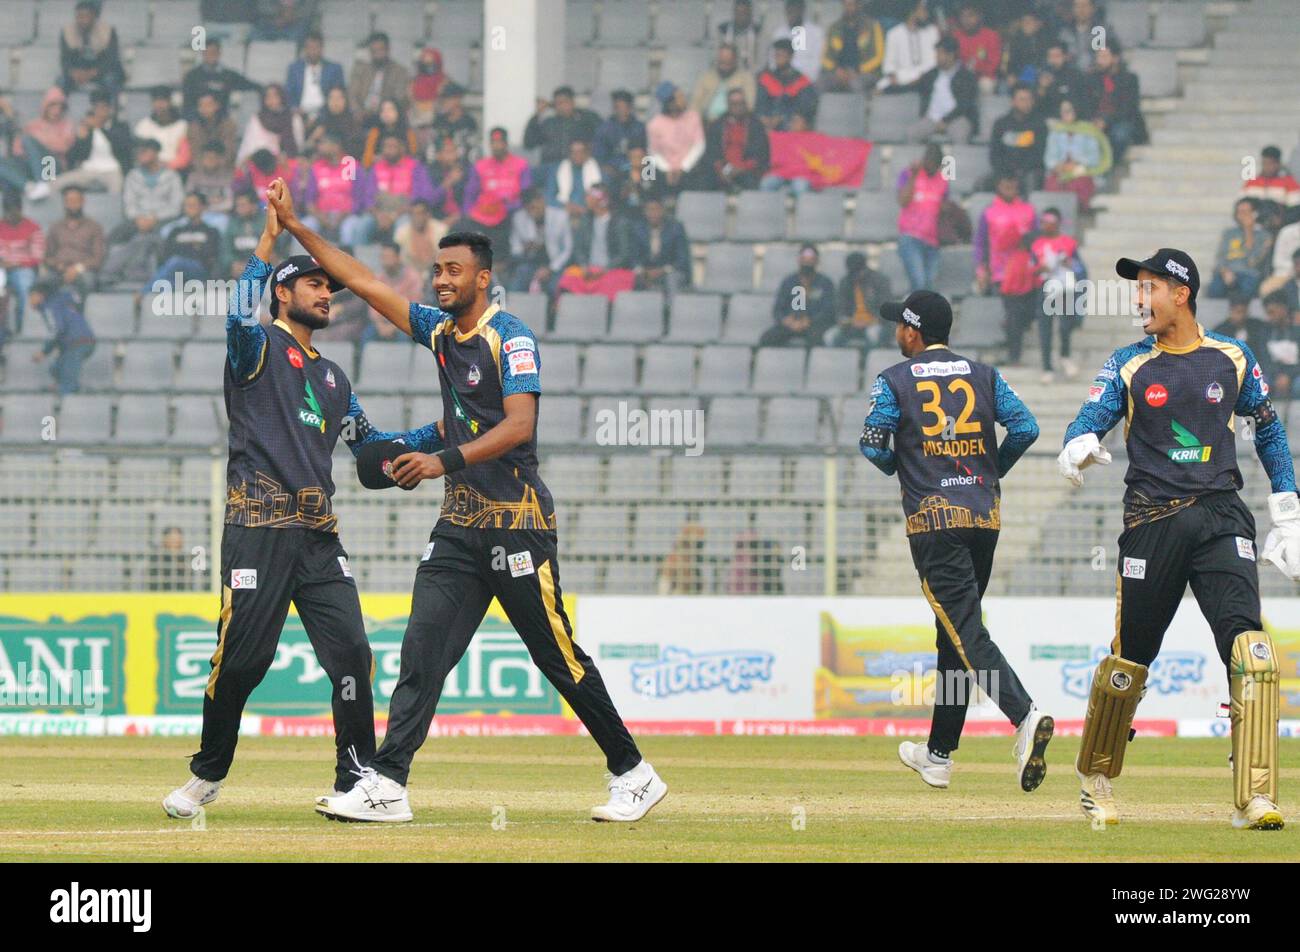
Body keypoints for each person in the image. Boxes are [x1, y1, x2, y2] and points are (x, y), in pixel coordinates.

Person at [268, 180, 669, 824]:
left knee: (557, 656)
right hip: (459, 527)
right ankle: (389, 783)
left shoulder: (509, 336)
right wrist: (295, 228)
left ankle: (634, 772)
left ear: (483, 279)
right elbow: (366, 283)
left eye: (453, 271)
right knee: (422, 650)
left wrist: (439, 459)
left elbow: (518, 427)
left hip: (517, 524)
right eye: (436, 270)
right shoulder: (439, 335)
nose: (440, 280)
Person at [161, 200, 440, 821]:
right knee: (242, 662)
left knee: (350, 652)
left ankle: (358, 775)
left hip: (318, 536)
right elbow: (236, 311)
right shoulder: (255, 347)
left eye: (330, 287)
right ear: (282, 292)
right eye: (314, 284)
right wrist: (267, 240)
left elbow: (369, 449)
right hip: (257, 529)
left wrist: (437, 434)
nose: (327, 295)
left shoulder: (335, 376)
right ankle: (208, 773)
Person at [1059, 248, 1296, 830]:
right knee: (1129, 662)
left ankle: (1255, 796)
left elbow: (1267, 426)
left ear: (1181, 294)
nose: (1139, 300)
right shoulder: (1128, 364)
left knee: (1253, 655)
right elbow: (1084, 422)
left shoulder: (1232, 357)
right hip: (1152, 521)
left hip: (1221, 517)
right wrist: (1078, 445)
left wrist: (1287, 508)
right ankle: (1098, 779)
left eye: (1149, 289)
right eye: (1137, 290)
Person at [859, 289, 1051, 792]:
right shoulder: (984, 375)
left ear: (913, 331)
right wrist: (989, 474)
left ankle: (1026, 715)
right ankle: (939, 754)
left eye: (898, 325)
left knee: (965, 632)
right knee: (954, 636)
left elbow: (872, 443)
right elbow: (1026, 428)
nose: (895, 333)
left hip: (934, 522)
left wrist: (908, 470)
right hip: (983, 519)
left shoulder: (893, 380)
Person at [103, 139, 184, 283]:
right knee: (114, 235)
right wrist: (139, 218)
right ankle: (108, 272)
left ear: (156, 153)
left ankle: (160, 275)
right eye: (138, 152)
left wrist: (155, 218)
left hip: (163, 220)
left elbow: (176, 206)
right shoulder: (132, 176)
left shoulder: (172, 176)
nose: (140, 155)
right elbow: (129, 203)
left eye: (144, 151)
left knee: (162, 239)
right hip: (137, 220)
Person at [1032, 207, 1086, 379]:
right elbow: (1031, 268)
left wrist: (1069, 264)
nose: (1047, 226)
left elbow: (1079, 266)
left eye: (1051, 223)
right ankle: (1047, 367)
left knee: (1065, 325)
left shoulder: (1068, 243)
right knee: (1045, 327)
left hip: (1065, 287)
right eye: (1044, 223)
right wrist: (1040, 268)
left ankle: (1065, 356)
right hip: (1045, 287)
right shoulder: (1037, 244)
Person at [760, 243, 836, 347]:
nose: (807, 262)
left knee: (818, 340)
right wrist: (786, 320)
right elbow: (778, 309)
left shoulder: (825, 283)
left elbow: (828, 310)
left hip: (813, 326)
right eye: (804, 259)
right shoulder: (789, 282)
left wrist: (809, 321)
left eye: (811, 259)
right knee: (768, 338)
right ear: (799, 260)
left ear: (817, 261)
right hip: (791, 323)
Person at [28, 276, 94, 395]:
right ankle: (66, 391)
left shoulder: (49, 307)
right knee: (56, 369)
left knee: (67, 382)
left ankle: (70, 403)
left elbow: (57, 330)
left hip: (78, 342)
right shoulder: (59, 300)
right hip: (79, 342)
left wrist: (44, 351)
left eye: (31, 296)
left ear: (40, 296)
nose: (30, 300)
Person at [1079, 45, 1146, 163]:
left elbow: (1129, 108)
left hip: (1120, 120)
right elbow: (1085, 104)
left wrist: (1106, 121)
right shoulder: (1090, 78)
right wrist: (1094, 120)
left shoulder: (1129, 79)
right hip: (1096, 120)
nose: (1100, 61)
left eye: (1104, 57)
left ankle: (1107, 167)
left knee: (1119, 135)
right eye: (1098, 57)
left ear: (1115, 58)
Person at [1042, 98, 1110, 212]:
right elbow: (1049, 158)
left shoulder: (1089, 131)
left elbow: (1094, 158)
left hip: (1082, 170)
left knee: (1078, 181)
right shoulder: (1055, 132)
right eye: (1063, 111)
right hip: (1060, 170)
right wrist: (1060, 166)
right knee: (1054, 183)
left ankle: (1079, 208)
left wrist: (1076, 163)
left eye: (1069, 110)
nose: (1066, 114)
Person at [896, 143, 948, 292]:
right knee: (919, 283)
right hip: (910, 238)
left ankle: (920, 314)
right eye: (928, 162)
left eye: (934, 164)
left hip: (933, 241)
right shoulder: (908, 173)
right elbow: (902, 201)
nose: (930, 167)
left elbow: (944, 206)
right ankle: (912, 314)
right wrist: (913, 176)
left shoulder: (943, 181)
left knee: (929, 287)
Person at [59, 89, 132, 193]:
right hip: (88, 170)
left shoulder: (120, 127)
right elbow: (72, 157)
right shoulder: (87, 127)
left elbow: (123, 148)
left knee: (117, 192)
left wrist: (100, 127)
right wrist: (80, 139)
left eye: (104, 107)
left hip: (113, 170)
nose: (100, 111)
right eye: (96, 107)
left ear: (110, 109)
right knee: (56, 183)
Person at [974, 173, 1036, 295]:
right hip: (999, 274)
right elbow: (981, 243)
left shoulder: (1028, 210)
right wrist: (981, 268)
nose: (1010, 191)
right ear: (998, 187)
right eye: (1006, 187)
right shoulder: (989, 212)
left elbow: (1038, 241)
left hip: (1025, 273)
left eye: (1013, 187)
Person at [911, 35, 978, 143]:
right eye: (936, 53)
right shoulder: (931, 75)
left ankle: (959, 160)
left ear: (951, 55)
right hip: (931, 119)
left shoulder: (966, 76)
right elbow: (912, 87)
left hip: (957, 119)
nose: (936, 57)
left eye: (940, 53)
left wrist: (945, 121)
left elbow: (964, 105)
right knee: (912, 133)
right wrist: (885, 89)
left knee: (961, 134)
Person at [507, 188, 572, 293]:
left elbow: (567, 249)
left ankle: (553, 308)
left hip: (555, 263)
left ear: (542, 201)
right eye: (528, 209)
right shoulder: (519, 217)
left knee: (555, 286)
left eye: (534, 207)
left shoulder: (560, 217)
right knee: (518, 281)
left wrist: (550, 269)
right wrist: (524, 248)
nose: (532, 212)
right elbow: (515, 247)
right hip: (530, 263)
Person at [1208, 198, 1273, 302]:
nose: (1241, 215)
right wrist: (1225, 272)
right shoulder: (1229, 233)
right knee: (1214, 289)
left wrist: (1249, 231)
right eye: (1239, 212)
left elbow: (1253, 262)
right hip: (1227, 272)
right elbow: (1220, 257)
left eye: (1245, 212)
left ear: (1255, 214)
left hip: (1249, 274)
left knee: (1247, 288)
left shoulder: (1264, 236)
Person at [705, 88, 770, 192]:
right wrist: (721, 169)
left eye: (741, 103)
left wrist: (741, 168)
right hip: (723, 168)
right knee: (705, 181)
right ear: (728, 105)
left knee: (751, 183)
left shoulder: (756, 125)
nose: (738, 107)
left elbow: (761, 154)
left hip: (746, 169)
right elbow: (711, 152)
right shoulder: (717, 125)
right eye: (734, 103)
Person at [646, 83, 706, 194]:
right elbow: (653, 152)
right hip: (665, 170)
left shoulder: (693, 117)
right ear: (670, 104)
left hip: (690, 168)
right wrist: (668, 169)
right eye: (680, 97)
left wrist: (683, 167)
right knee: (648, 170)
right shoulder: (655, 124)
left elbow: (699, 145)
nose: (684, 99)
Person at [44, 185, 106, 292]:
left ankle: (80, 309)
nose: (72, 205)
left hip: (84, 270)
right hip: (59, 270)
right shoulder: (55, 227)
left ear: (82, 202)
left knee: (87, 281)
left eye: (75, 201)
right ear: (64, 203)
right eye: (69, 201)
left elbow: (98, 258)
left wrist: (77, 269)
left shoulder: (94, 227)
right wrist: (59, 266)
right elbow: (47, 256)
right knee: (40, 284)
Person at [19, 88, 76, 202]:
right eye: (53, 106)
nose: (57, 111)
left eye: (60, 107)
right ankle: (28, 186)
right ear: (45, 107)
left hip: (52, 168)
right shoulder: (33, 124)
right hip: (32, 167)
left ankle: (41, 184)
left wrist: (39, 139)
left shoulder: (67, 125)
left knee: (35, 146)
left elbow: (63, 146)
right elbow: (18, 149)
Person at [626, 196, 692, 295]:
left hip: (670, 271)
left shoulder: (676, 228)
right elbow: (633, 257)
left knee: (672, 279)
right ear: (644, 212)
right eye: (649, 210)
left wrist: (662, 270)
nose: (653, 214)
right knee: (630, 278)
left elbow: (682, 259)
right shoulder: (638, 229)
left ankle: (672, 309)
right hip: (646, 271)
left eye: (656, 209)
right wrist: (642, 271)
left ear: (663, 211)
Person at [182, 37, 261, 119]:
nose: (211, 54)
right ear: (203, 54)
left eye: (214, 52)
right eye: (207, 52)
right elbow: (187, 103)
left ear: (219, 53)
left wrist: (265, 89)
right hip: (198, 120)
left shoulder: (229, 75)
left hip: (221, 120)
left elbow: (250, 85)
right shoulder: (192, 76)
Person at [0, 191, 45, 335]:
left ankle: (21, 329)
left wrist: (16, 263)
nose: (11, 214)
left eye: (14, 210)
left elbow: (38, 256)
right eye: (8, 210)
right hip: (1, 269)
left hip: (23, 268)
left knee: (25, 284)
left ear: (20, 209)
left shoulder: (33, 227)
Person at [58, 0, 125, 96]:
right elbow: (64, 59)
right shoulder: (67, 32)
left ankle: (109, 109)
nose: (82, 20)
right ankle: (61, 110)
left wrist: (92, 73)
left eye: (86, 16)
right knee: (61, 81)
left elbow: (112, 59)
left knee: (111, 80)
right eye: (79, 16)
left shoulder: (108, 31)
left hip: (102, 70)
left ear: (93, 16)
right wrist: (73, 72)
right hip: (79, 71)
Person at [988, 84, 1047, 193]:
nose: (1026, 103)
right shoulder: (1001, 124)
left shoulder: (1039, 124)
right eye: (1022, 99)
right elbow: (994, 154)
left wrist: (1019, 171)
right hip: (1004, 172)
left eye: (1029, 99)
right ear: (1013, 102)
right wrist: (1006, 172)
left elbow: (1039, 155)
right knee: (982, 183)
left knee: (1032, 179)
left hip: (1028, 172)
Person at [524, 86, 601, 169]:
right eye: (557, 103)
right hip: (551, 166)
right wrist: (536, 115)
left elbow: (600, 138)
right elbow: (529, 144)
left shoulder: (586, 120)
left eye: (564, 102)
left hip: (577, 166)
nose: (561, 106)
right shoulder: (549, 123)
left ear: (572, 102)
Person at [828, 251, 891, 348]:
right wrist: (846, 320)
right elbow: (840, 308)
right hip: (851, 325)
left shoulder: (880, 280)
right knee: (830, 336)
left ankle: (872, 362)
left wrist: (871, 321)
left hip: (874, 323)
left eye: (859, 272)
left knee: (873, 334)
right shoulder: (845, 282)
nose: (857, 275)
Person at [877, 0, 940, 94]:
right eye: (923, 10)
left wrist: (921, 77)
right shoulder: (894, 34)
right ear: (912, 12)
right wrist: (893, 76)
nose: (926, 13)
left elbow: (935, 61)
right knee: (879, 89)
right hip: (901, 78)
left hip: (926, 78)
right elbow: (889, 63)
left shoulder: (932, 31)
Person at [820, 0, 884, 92]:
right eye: (846, 5)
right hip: (839, 72)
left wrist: (858, 71)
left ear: (858, 6)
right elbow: (825, 57)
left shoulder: (873, 26)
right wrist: (836, 70)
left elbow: (879, 56)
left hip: (865, 72)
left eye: (851, 5)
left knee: (855, 84)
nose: (848, 8)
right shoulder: (834, 27)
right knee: (820, 83)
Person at [756, 39, 819, 132]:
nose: (778, 58)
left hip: (790, 124)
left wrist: (782, 117)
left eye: (782, 55)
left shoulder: (801, 81)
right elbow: (760, 103)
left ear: (790, 57)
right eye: (777, 55)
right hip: (769, 124)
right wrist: (764, 117)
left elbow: (805, 107)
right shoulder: (766, 78)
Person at [347, 32, 411, 119]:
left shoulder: (400, 72)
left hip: (386, 115)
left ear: (388, 49)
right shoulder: (360, 70)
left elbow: (399, 98)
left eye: (381, 50)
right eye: (373, 51)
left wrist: (383, 112)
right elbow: (352, 94)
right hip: (361, 115)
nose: (377, 54)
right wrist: (357, 110)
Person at [691, 44, 757, 125]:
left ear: (735, 60)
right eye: (721, 60)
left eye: (727, 60)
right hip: (706, 122)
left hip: (732, 123)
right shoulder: (706, 77)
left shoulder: (746, 78)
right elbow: (694, 104)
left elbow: (750, 105)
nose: (723, 64)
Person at [285, 30, 345, 118]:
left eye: (316, 47)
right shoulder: (294, 69)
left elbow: (338, 96)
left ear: (322, 48)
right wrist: (295, 108)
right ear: (304, 49)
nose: (313, 51)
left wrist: (321, 114)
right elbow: (289, 93)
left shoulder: (334, 69)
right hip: (300, 113)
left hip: (326, 114)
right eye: (309, 47)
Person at [237, 83, 302, 165]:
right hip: (261, 162)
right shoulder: (257, 119)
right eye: (268, 97)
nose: (272, 100)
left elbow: (298, 144)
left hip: (287, 163)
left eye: (275, 96)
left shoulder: (294, 118)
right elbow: (251, 146)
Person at [765, 0, 824, 83]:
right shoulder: (778, 33)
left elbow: (817, 64)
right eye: (789, 10)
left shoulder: (815, 33)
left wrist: (800, 83)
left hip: (807, 84)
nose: (792, 14)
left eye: (795, 9)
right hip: (781, 84)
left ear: (802, 10)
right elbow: (773, 63)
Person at [592, 91, 647, 179]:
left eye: (625, 107)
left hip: (634, 166)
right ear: (614, 108)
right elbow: (598, 154)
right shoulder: (604, 129)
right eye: (618, 107)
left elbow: (645, 153)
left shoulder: (639, 128)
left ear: (630, 108)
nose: (622, 110)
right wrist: (605, 167)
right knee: (602, 177)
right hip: (611, 168)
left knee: (649, 174)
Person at [134, 86, 190, 171]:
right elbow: (140, 154)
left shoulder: (182, 125)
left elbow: (184, 155)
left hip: (175, 170)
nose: (159, 105)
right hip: (148, 169)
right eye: (156, 101)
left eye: (163, 101)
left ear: (170, 102)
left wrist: (169, 166)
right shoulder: (143, 126)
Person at [950, 3, 1001, 94]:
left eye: (970, 16)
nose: (966, 20)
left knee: (986, 85)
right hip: (961, 78)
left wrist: (976, 70)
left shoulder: (991, 35)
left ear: (979, 17)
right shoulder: (955, 36)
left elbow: (994, 64)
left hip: (983, 77)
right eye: (963, 16)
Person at [187, 92, 239, 179]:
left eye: (208, 105)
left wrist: (216, 165)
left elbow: (229, 150)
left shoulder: (228, 125)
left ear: (216, 105)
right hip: (200, 170)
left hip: (224, 169)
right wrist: (205, 167)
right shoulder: (193, 127)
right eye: (201, 105)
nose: (204, 108)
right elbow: (195, 152)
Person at [544, 138, 603, 214]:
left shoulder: (596, 169)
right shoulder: (557, 169)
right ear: (569, 154)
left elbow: (600, 196)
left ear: (587, 153)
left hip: (588, 212)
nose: (577, 155)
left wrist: (585, 209)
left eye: (581, 152)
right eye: (574, 152)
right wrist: (565, 206)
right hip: (563, 210)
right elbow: (549, 197)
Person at [360, 98, 418, 168]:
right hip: (380, 172)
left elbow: (414, 156)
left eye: (390, 109)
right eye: (383, 110)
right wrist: (375, 159)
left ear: (398, 112)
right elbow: (366, 160)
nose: (386, 113)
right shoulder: (375, 132)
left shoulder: (408, 132)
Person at [430, 83, 480, 165]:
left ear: (457, 99)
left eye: (447, 99)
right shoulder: (438, 121)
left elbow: (473, 150)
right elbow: (432, 147)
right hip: (439, 166)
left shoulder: (469, 122)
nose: (443, 102)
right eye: (442, 99)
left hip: (463, 167)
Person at [716, 0, 765, 71]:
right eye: (738, 13)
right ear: (734, 13)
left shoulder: (759, 32)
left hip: (752, 74)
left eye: (744, 13)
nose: (741, 17)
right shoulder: (722, 30)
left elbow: (762, 61)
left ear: (750, 14)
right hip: (727, 74)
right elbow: (717, 58)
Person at [146, 527, 195, 592]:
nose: (175, 543)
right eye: (172, 540)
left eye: (177, 540)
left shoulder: (187, 560)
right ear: (164, 540)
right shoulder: (156, 559)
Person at [408, 47, 446, 128]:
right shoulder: (414, 82)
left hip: (437, 122)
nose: (428, 66)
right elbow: (410, 100)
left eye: (431, 63)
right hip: (415, 120)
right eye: (425, 63)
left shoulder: (444, 82)